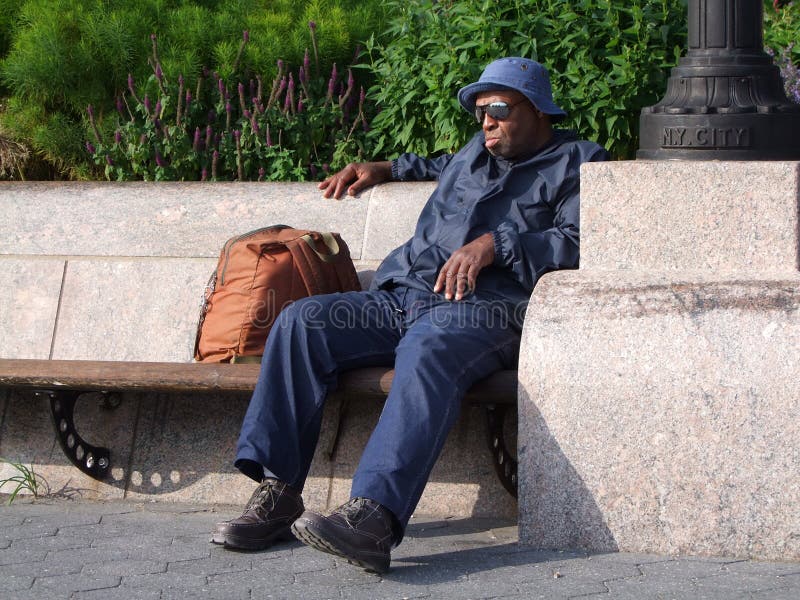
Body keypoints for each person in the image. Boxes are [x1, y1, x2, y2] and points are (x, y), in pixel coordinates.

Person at [211, 57, 609, 573]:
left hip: (480, 311)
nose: (485, 121)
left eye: (498, 110)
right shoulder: (476, 150)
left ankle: (373, 517)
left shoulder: (579, 161)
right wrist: (383, 168)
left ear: (536, 110)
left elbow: (577, 242)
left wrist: (495, 244)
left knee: (427, 349)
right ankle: (278, 492)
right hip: (402, 297)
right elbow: (437, 164)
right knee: (300, 322)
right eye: (479, 112)